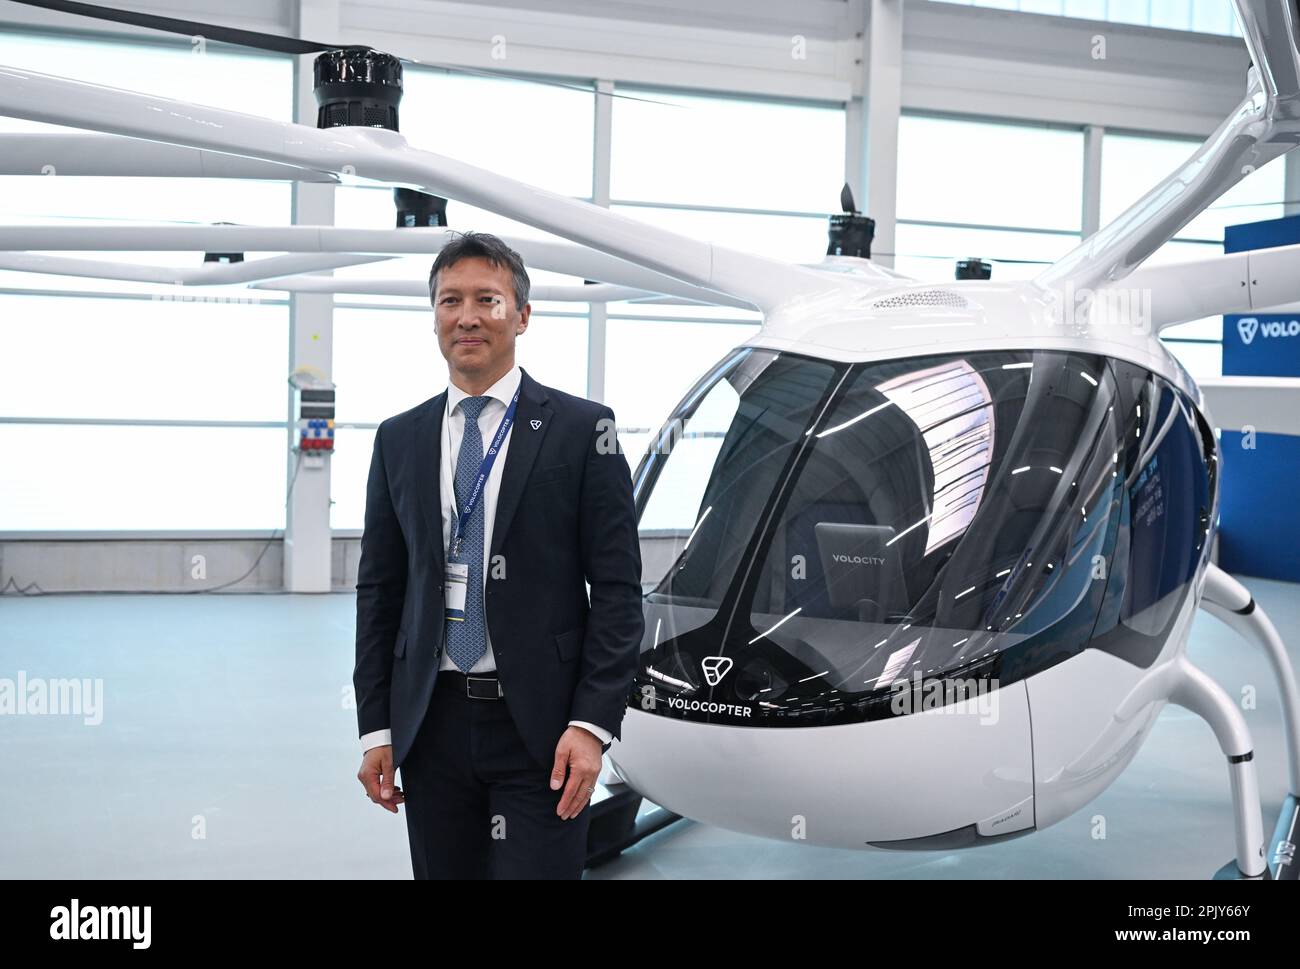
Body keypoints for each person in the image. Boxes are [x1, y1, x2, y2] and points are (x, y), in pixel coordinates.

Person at [352, 231, 643, 879]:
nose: (468, 315)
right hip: (432, 725)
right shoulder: (400, 439)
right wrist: (377, 726)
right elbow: (381, 592)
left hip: (543, 728)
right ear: (434, 318)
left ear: (522, 314)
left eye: (488, 298)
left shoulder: (582, 429)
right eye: (450, 300)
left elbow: (619, 593)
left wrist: (593, 724)